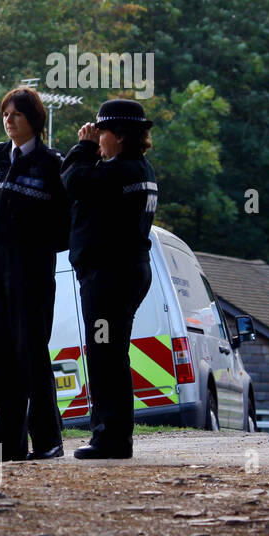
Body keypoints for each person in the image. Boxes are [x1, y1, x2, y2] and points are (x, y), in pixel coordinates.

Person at [0, 86, 71, 462]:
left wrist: (35, 242)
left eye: (16, 115)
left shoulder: (52, 164)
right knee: (1, 352)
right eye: (5, 114)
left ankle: (47, 440)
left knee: (30, 351)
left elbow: (65, 220)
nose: (9, 121)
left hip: (31, 263)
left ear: (34, 120)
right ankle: (8, 446)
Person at [61, 98, 158, 459]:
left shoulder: (117, 172)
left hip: (109, 276)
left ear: (117, 136)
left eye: (100, 132)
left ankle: (109, 437)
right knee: (112, 354)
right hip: (127, 271)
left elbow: (73, 182)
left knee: (104, 355)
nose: (96, 137)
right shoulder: (142, 170)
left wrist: (81, 148)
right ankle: (115, 435)